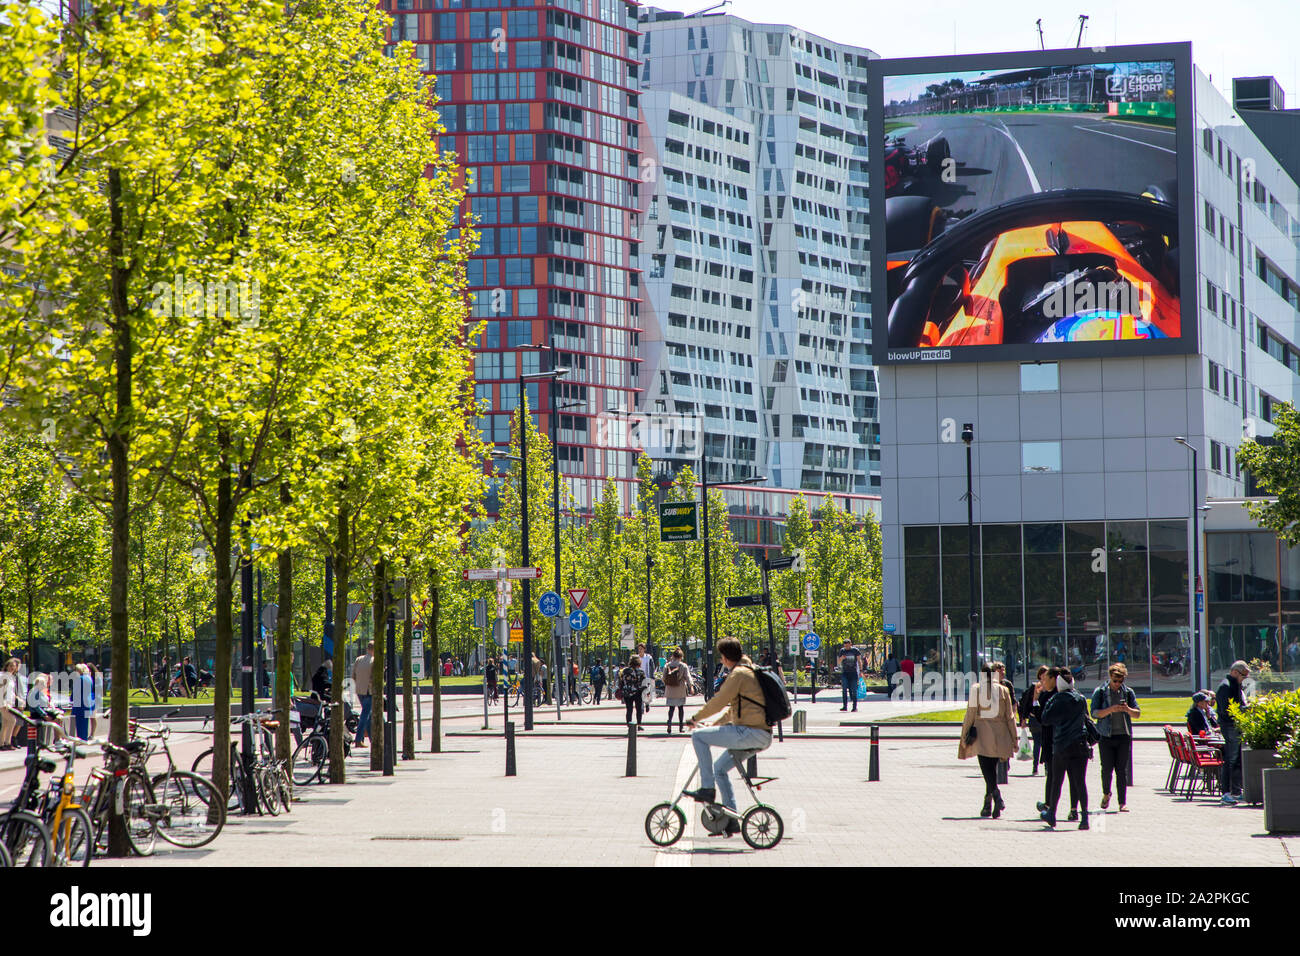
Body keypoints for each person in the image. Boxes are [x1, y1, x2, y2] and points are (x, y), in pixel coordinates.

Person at [683, 638, 775, 835]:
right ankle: (731, 820)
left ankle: (707, 788)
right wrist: (714, 725)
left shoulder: (739, 674)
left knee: (698, 736)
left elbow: (718, 701)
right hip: (759, 733)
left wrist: (695, 719)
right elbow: (733, 709)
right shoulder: (749, 670)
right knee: (720, 769)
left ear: (725, 658)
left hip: (750, 732)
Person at [957, 664, 1018, 818]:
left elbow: (970, 713)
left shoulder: (976, 689)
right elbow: (1010, 717)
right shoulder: (1003, 690)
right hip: (1000, 735)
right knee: (991, 769)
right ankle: (988, 805)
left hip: (982, 735)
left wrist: (964, 735)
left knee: (987, 771)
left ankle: (996, 797)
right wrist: (1014, 738)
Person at [1040, 667, 1092, 830]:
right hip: (1080, 745)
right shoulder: (1081, 698)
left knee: (1057, 781)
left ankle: (1052, 814)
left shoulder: (1057, 699)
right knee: (1080, 782)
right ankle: (1084, 817)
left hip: (1062, 745)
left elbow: (1046, 719)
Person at [1032, 667, 1079, 821]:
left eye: (1046, 679)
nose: (1043, 682)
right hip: (1074, 742)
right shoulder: (1077, 697)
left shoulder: (1052, 697)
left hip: (1057, 743)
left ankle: (1051, 809)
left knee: (1054, 778)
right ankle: (1076, 811)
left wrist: (1035, 700)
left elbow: (1043, 718)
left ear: (1054, 679)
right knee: (1074, 778)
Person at [1091, 662, 1139, 812]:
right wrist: (1110, 709)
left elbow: (1137, 713)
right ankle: (1106, 793)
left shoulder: (1128, 692)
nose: (1118, 684)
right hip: (1106, 735)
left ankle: (1122, 802)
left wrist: (1127, 709)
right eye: (1115, 681)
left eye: (1120, 681)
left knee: (1121, 770)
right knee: (1106, 769)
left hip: (1123, 735)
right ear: (1110, 677)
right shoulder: (1100, 691)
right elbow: (1094, 713)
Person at [1215, 660, 1250, 804]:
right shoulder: (1226, 686)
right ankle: (1226, 792)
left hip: (1234, 725)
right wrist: (1245, 709)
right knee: (1230, 759)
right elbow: (1225, 710)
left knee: (1236, 760)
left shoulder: (1235, 686)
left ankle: (1235, 790)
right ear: (1234, 672)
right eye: (1243, 676)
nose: (1243, 679)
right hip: (1229, 725)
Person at [1018, 666, 1048, 775]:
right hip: (1035, 719)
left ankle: (1046, 766)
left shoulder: (1050, 687)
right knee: (1038, 743)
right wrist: (1023, 719)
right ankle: (1035, 767)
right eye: (1044, 674)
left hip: (1045, 720)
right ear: (1040, 675)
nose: (1046, 676)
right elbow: (1025, 703)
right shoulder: (1035, 687)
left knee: (1046, 744)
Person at [662, 649, 690, 734]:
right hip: (680, 689)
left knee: (671, 708)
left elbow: (663, 677)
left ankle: (669, 723)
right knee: (680, 708)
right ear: (681, 657)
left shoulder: (667, 665)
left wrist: (667, 684)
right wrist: (690, 686)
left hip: (670, 690)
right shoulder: (683, 665)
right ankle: (681, 727)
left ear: (673, 656)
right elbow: (688, 677)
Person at [352, 642, 374, 747]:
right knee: (365, 715)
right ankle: (358, 739)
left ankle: (372, 739)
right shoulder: (374, 661)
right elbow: (374, 678)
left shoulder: (358, 659)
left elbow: (353, 675)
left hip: (359, 690)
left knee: (368, 715)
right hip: (368, 691)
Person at [620, 655, 646, 729]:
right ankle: (639, 724)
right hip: (638, 692)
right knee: (638, 709)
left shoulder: (625, 671)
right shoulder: (640, 672)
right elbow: (644, 683)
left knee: (629, 709)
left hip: (627, 692)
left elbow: (622, 681)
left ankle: (629, 725)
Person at [71, 663, 94, 741]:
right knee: (85, 724)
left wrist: (71, 698)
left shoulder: (79, 679)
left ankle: (80, 740)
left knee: (80, 724)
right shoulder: (89, 678)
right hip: (87, 703)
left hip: (80, 704)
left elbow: (76, 692)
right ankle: (84, 739)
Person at [837, 638, 862, 712]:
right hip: (845, 673)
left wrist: (861, 671)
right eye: (845, 646)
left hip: (853, 673)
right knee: (844, 690)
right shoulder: (842, 651)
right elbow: (838, 662)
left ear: (850, 644)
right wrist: (841, 658)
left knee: (854, 690)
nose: (846, 647)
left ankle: (854, 707)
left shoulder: (855, 650)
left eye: (848, 646)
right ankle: (845, 706)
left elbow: (859, 661)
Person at [0, 658, 19, 749]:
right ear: (7, 666)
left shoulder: (11, 677)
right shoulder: (3, 676)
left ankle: (1, 743)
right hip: (3, 703)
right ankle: (7, 743)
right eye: (10, 666)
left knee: (5, 723)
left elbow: (10, 691)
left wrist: (17, 698)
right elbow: (1, 690)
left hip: (8, 703)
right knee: (12, 720)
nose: (12, 668)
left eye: (14, 666)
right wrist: (4, 702)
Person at [637, 644, 654, 710]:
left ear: (644, 649)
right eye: (639, 649)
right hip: (639, 678)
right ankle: (641, 707)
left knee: (646, 692)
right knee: (640, 693)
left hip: (647, 677)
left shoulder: (648, 658)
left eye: (641, 649)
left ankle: (647, 704)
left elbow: (652, 667)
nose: (640, 650)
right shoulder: (636, 658)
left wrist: (652, 676)